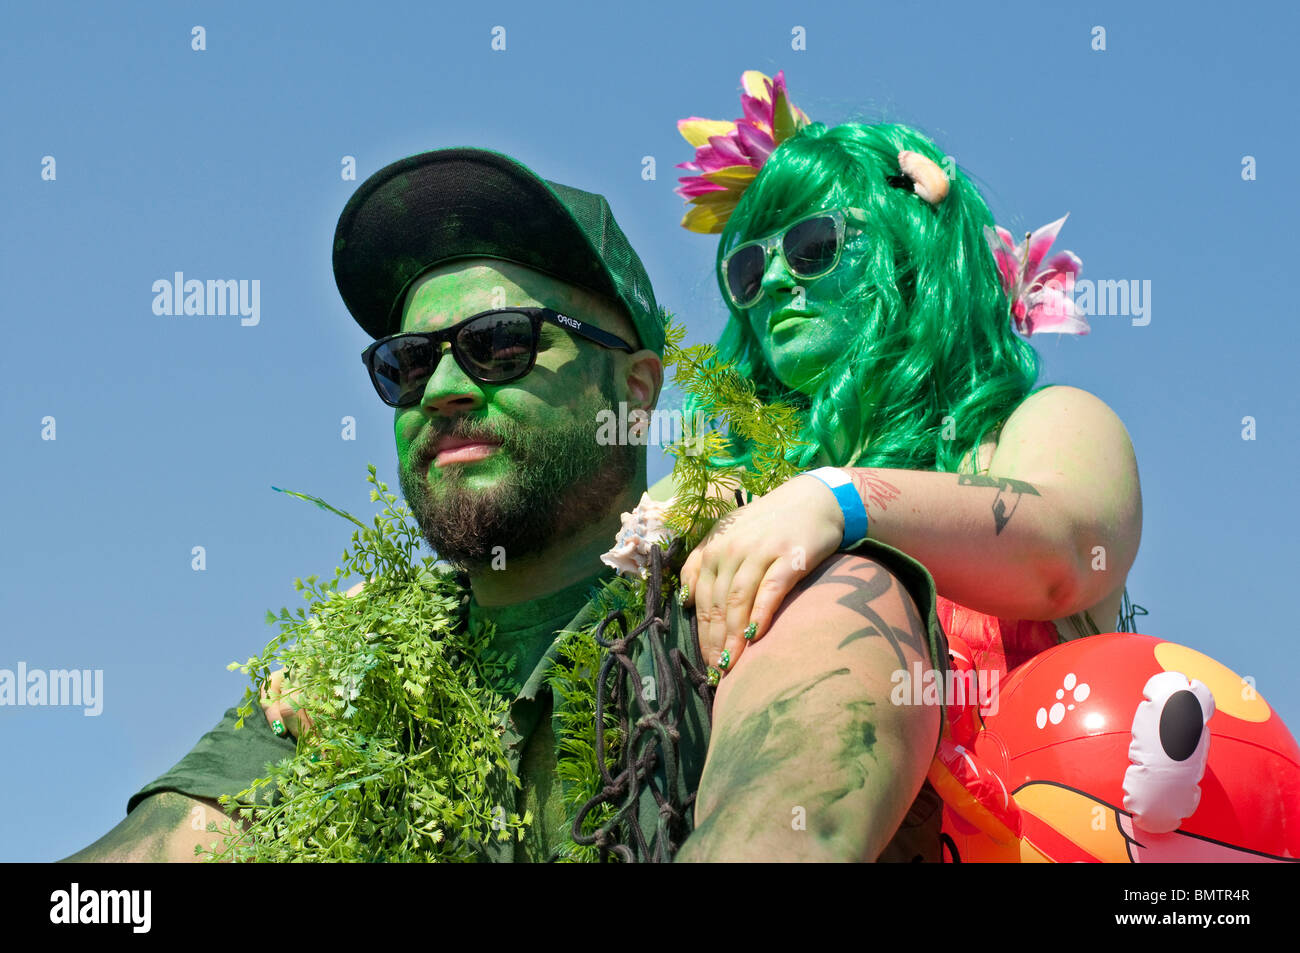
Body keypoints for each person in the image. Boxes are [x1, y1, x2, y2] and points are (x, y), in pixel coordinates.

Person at [61, 147, 949, 863]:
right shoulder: (344, 677)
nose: (440, 388)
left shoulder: (777, 585)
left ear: (635, 389)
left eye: (498, 343)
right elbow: (162, 852)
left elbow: (790, 824)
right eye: (407, 362)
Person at [660, 71, 1142, 701]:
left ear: (912, 250)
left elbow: (1066, 555)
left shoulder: (1043, 426)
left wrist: (837, 499)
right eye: (749, 266)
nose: (774, 280)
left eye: (813, 244)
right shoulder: (729, 479)